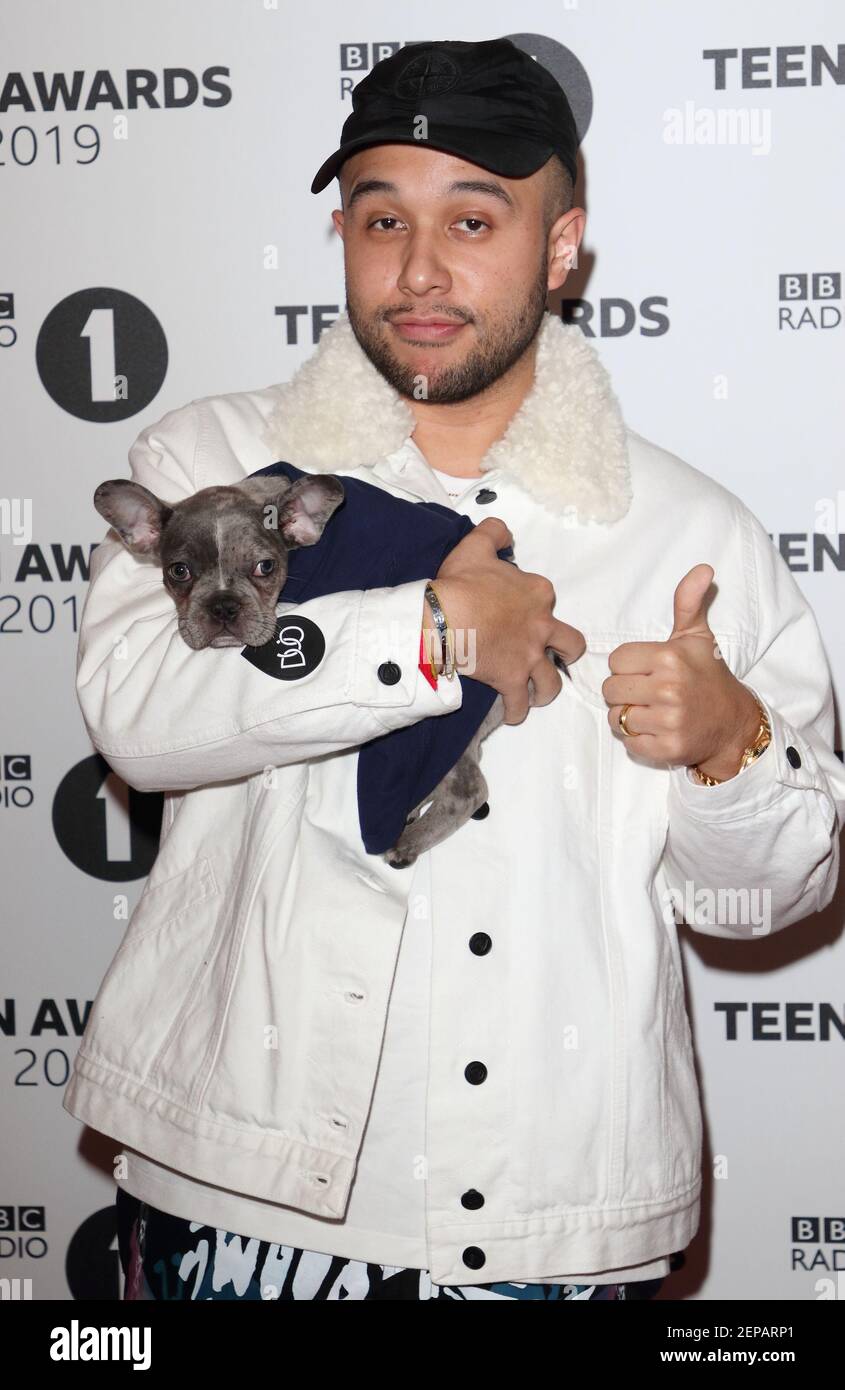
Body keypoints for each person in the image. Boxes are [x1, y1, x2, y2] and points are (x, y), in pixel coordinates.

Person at [64, 37, 845, 1302]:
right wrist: (430, 631)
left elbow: (770, 892)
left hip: (556, 1222)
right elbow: (142, 721)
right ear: (342, 235)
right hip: (240, 1203)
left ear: (559, 246)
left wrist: (728, 743)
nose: (419, 270)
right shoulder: (210, 460)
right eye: (383, 219)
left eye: (473, 219)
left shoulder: (689, 533)